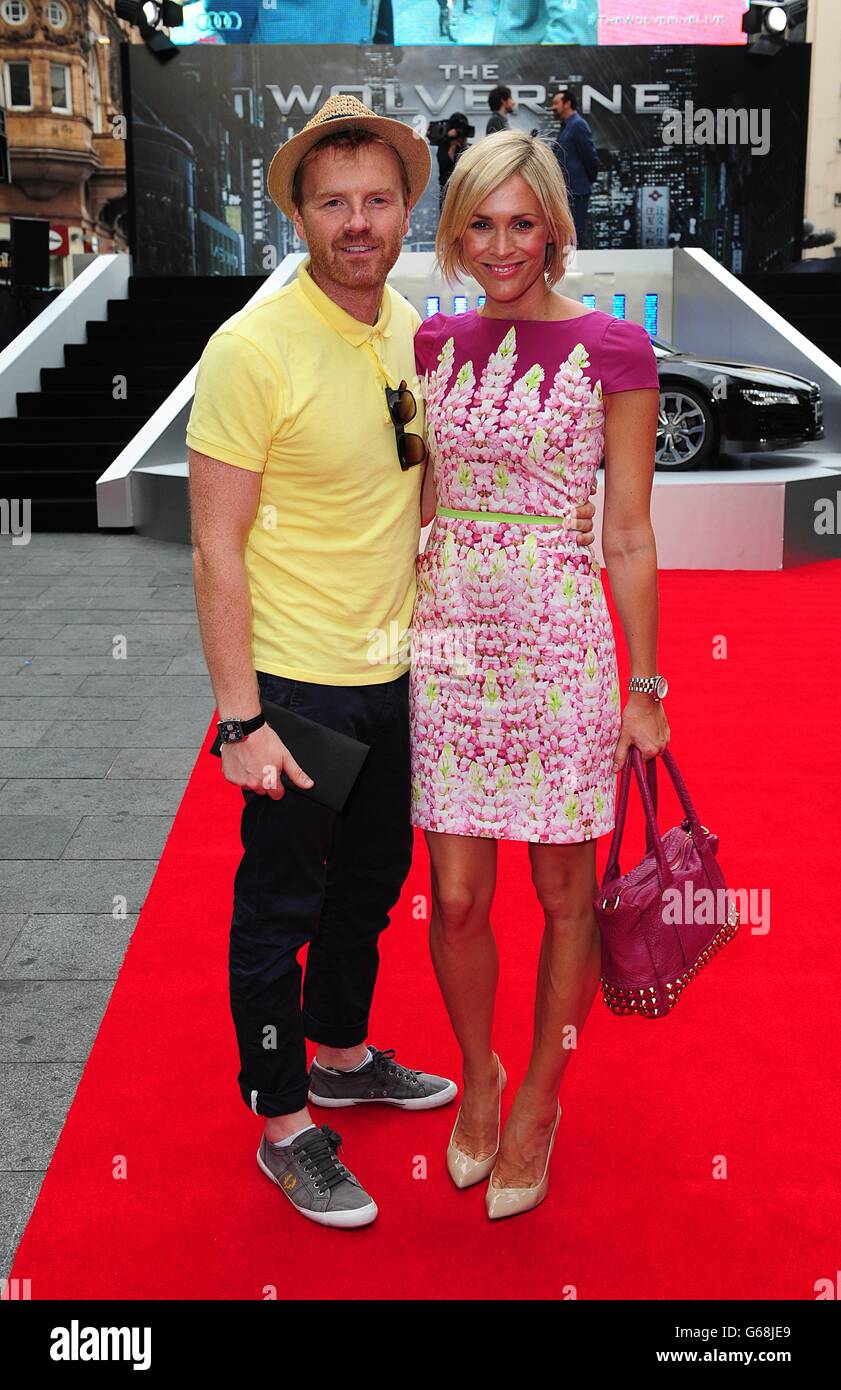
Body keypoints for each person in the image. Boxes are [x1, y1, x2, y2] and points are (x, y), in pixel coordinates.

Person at [185, 93, 601, 1230]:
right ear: (300, 216)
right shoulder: (250, 348)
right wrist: (240, 718)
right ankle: (284, 1124)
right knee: (280, 905)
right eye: (333, 203)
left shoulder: (410, 329)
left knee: (366, 894)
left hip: (405, 672)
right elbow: (213, 546)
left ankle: (342, 1053)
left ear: (409, 210)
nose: (356, 221)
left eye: (376, 200)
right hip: (294, 684)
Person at [410, 129, 669, 1219]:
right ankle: (480, 1075)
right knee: (458, 898)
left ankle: (541, 1100)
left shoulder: (616, 350)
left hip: (560, 635)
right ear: (455, 233)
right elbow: (422, 501)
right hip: (452, 636)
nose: (501, 244)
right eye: (479, 222)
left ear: (556, 227)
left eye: (522, 221)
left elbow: (627, 533)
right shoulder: (430, 344)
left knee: (564, 894)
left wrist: (646, 689)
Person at [551, 90, 600, 249]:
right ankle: (569, 267)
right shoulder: (566, 126)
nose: (553, 107)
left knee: (575, 232)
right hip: (567, 191)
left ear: (568, 104)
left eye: (556, 103)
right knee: (567, 232)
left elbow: (589, 156)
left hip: (577, 191)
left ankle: (577, 267)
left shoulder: (578, 124)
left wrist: (587, 180)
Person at [437, 112, 471, 214]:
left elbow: (470, 166)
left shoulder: (467, 148)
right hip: (447, 194)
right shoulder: (443, 146)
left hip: (465, 194)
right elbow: (445, 164)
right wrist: (452, 143)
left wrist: (463, 143)